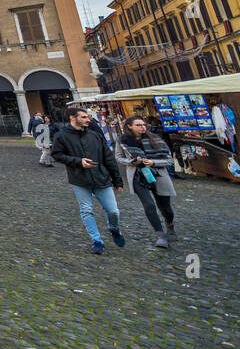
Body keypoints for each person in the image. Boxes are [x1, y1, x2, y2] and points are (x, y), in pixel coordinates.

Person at [51, 105, 125, 255]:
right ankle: (97, 241)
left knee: (113, 211)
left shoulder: (94, 135)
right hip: (79, 180)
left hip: (101, 177)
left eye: (87, 117)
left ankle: (114, 228)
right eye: (84, 117)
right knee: (86, 210)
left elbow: (108, 158)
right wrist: (78, 161)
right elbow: (57, 155)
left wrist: (117, 180)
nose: (88, 120)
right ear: (72, 118)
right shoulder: (61, 136)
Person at [115, 116, 178, 249]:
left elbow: (169, 160)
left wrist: (154, 162)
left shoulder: (156, 139)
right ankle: (160, 235)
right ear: (129, 126)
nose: (143, 127)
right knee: (149, 205)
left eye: (144, 124)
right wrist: (131, 162)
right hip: (138, 175)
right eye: (138, 125)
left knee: (165, 207)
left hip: (158, 174)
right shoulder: (122, 141)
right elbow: (119, 157)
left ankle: (170, 224)